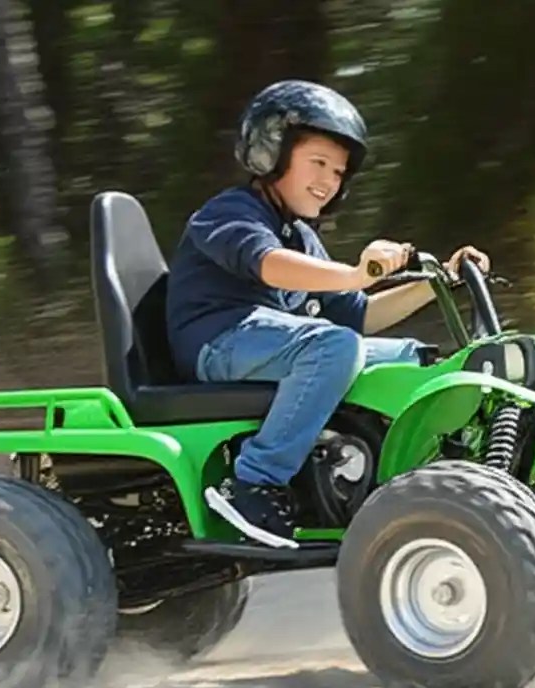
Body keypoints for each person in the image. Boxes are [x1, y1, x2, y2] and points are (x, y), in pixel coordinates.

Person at [165, 79, 490, 539]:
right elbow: (269, 266)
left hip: (273, 343)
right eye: (318, 163)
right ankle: (254, 482)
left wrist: (442, 283)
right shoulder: (229, 212)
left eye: (337, 173)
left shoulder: (302, 236)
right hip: (218, 345)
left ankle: (416, 478)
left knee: (416, 358)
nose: (327, 182)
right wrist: (356, 273)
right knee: (333, 347)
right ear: (271, 153)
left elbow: (359, 317)